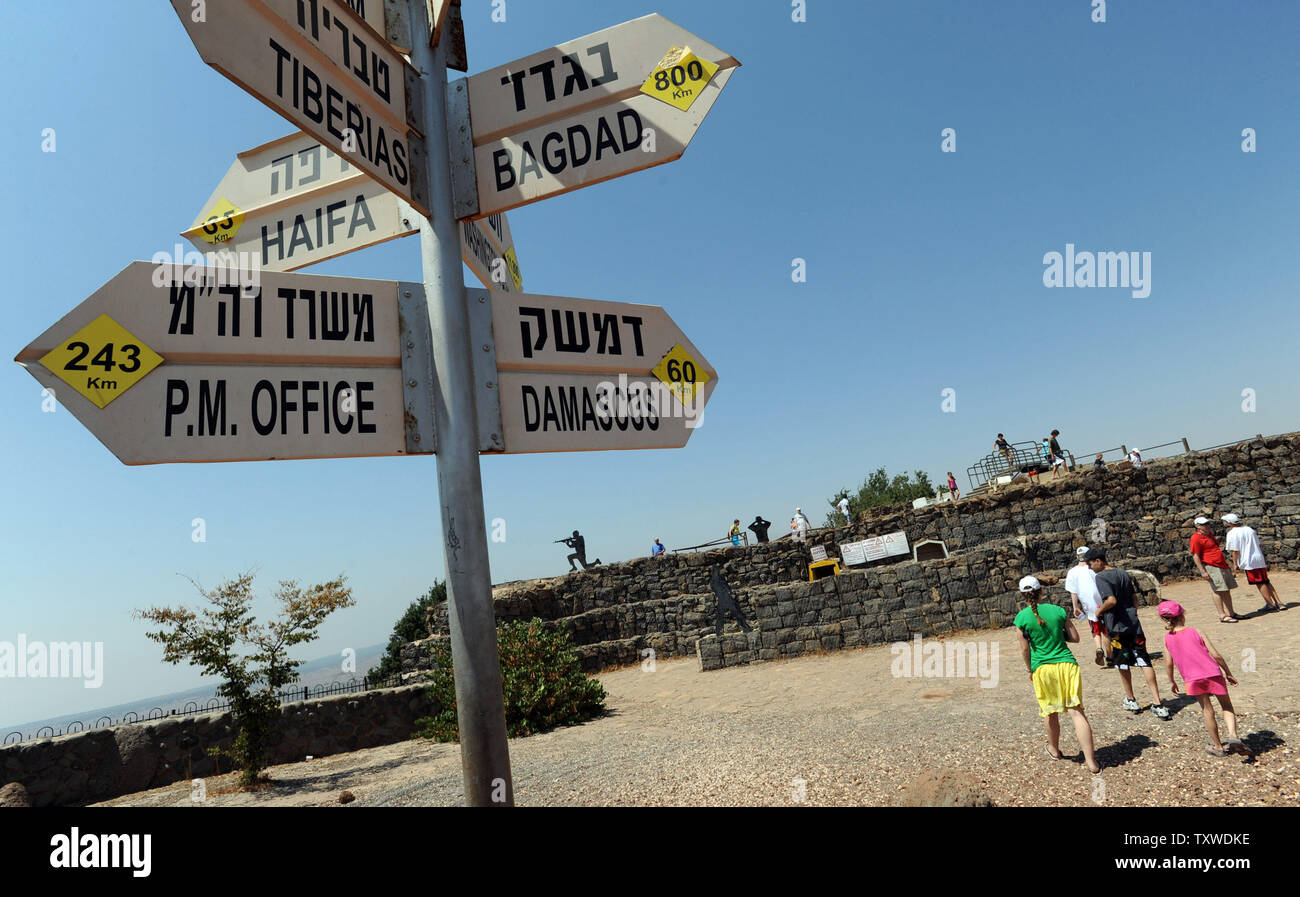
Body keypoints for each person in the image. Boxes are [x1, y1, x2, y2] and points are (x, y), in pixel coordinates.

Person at [1014, 576, 1101, 774]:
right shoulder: (1058, 611)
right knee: (1076, 711)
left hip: (1043, 668)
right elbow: (1075, 638)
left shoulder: (1021, 618)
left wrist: (1029, 669)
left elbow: (1025, 650)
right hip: (1066, 664)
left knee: (1050, 711)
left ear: (1023, 596)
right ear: (1041, 591)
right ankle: (1091, 762)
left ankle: (1054, 749)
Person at [1085, 548, 1171, 718]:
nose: (1090, 568)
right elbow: (1134, 599)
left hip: (1116, 627)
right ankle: (1157, 702)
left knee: (1122, 662)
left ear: (1098, 561)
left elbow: (1111, 600)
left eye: (1090, 564)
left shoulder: (1101, 577)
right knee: (1144, 660)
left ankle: (1131, 699)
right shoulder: (1123, 573)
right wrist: (1132, 613)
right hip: (1133, 624)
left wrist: (1099, 612)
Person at [1158, 601, 1250, 757]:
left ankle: (1218, 747)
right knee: (1226, 706)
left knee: (1207, 710)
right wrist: (1228, 672)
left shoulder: (1167, 638)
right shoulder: (1196, 631)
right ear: (1183, 614)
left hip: (1192, 679)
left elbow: (1168, 663)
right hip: (1213, 673)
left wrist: (1172, 681)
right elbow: (1216, 655)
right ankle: (1233, 736)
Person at [1222, 513, 1283, 612]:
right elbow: (1258, 545)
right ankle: (1278, 602)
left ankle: (1270, 604)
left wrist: (1235, 564)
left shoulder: (1232, 533)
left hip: (1249, 560)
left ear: (1229, 523)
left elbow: (1235, 551)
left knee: (1260, 582)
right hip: (1258, 558)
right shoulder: (1249, 529)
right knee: (1265, 581)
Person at [1065, 546, 1109, 667]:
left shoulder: (1072, 572)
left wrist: (1075, 606)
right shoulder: (1094, 568)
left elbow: (1073, 592)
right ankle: (1110, 656)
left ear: (1077, 557)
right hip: (1102, 602)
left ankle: (1099, 648)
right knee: (1106, 630)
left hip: (1088, 605)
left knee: (1095, 630)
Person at [1190, 516, 1239, 623]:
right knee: (1218, 590)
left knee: (1226, 589)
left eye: (1207, 523)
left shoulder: (1209, 534)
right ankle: (1222, 615)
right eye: (1204, 524)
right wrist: (1203, 571)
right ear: (1198, 526)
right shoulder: (1196, 538)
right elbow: (1195, 555)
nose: (1207, 526)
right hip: (1212, 566)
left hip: (1221, 564)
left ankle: (1232, 613)